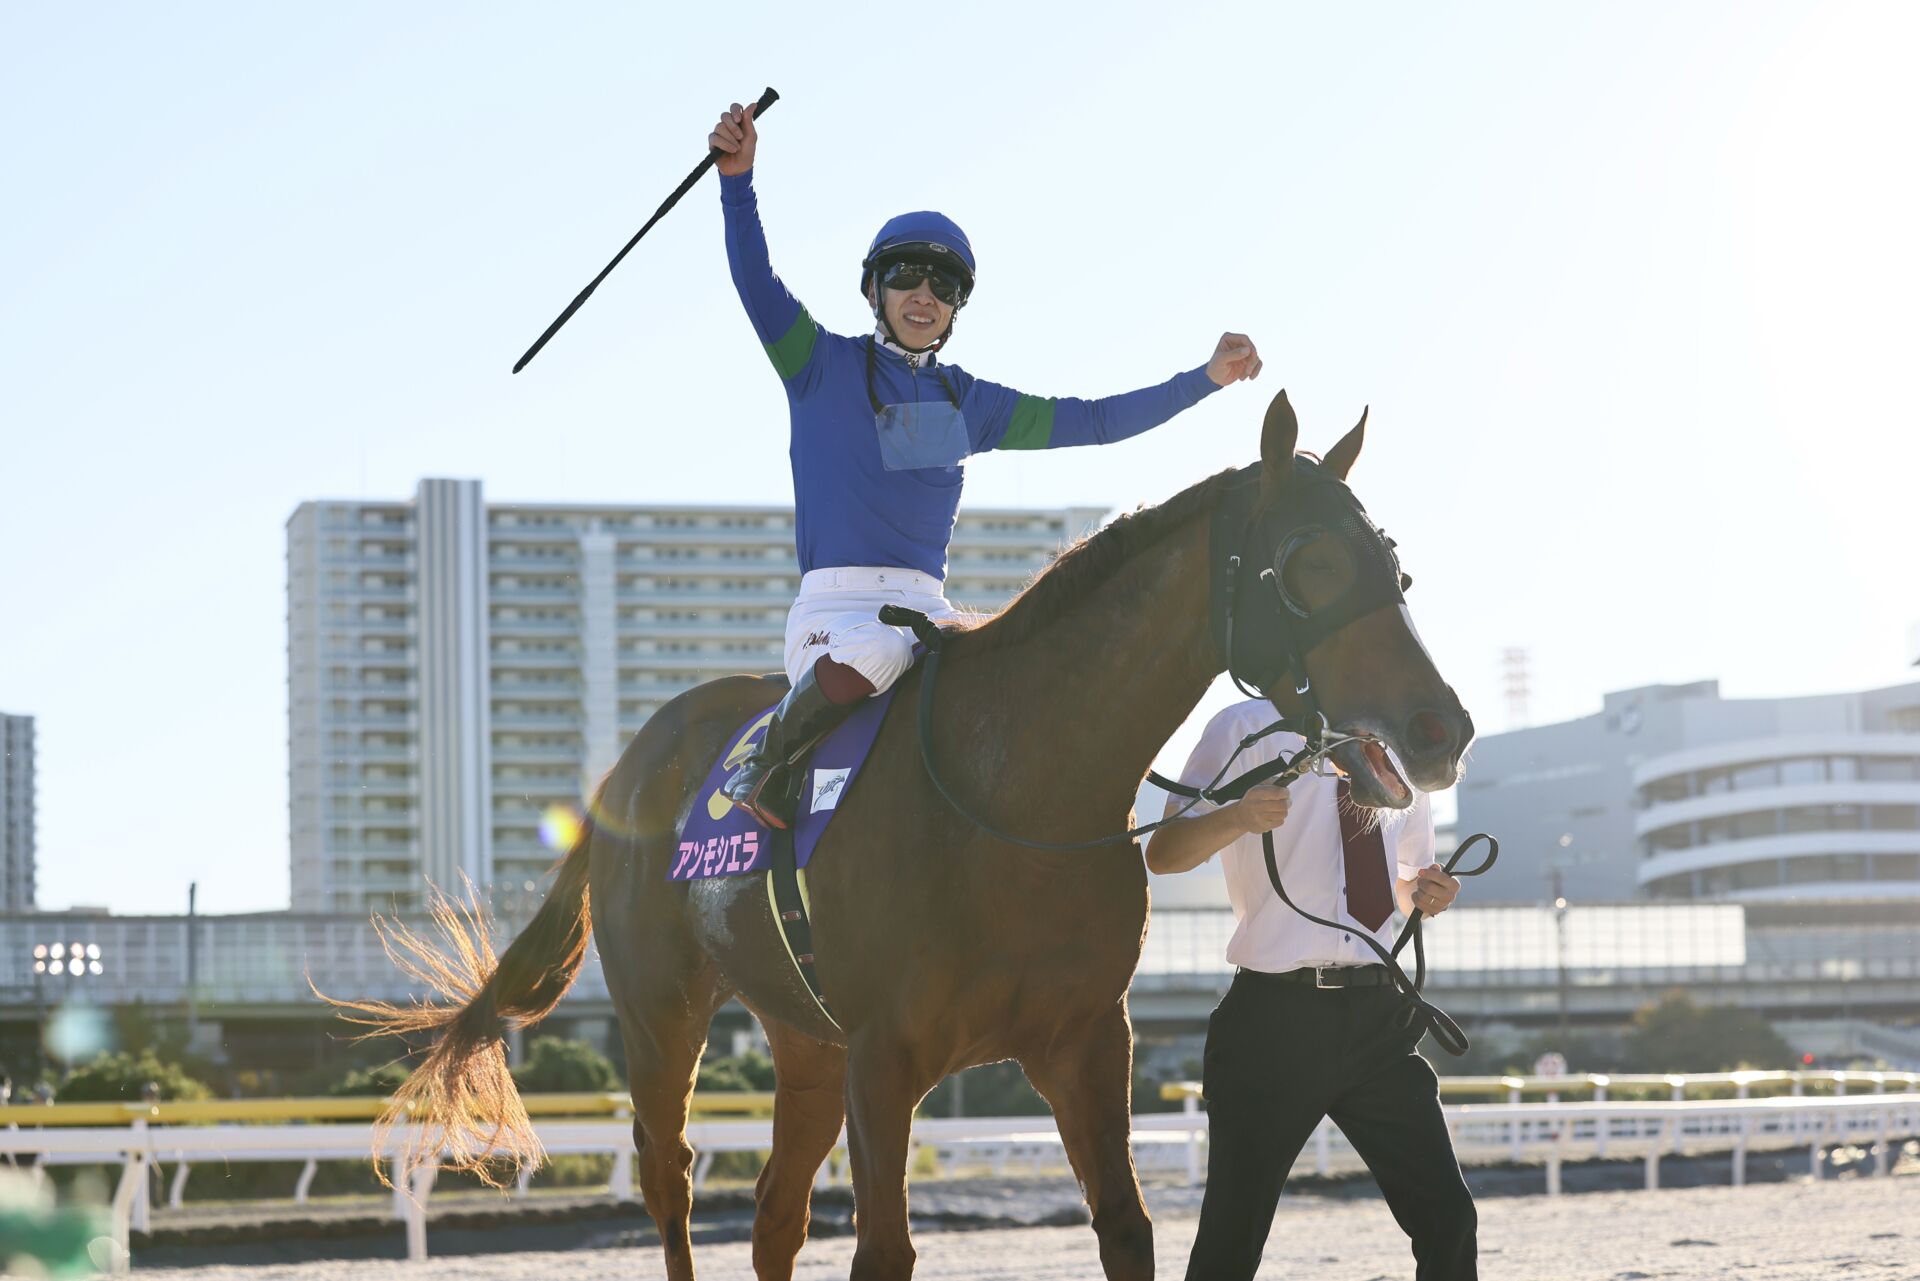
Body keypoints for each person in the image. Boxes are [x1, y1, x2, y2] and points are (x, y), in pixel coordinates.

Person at [707, 100, 1265, 827]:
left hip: (929, 613)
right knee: (879, 648)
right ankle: (766, 760)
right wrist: (738, 182)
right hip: (836, 619)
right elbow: (757, 281)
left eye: (945, 287)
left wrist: (1204, 379)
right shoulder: (817, 363)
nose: (924, 297)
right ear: (874, 288)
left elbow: (1093, 420)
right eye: (908, 277)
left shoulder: (971, 403)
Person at [1146, 698, 1477, 1281]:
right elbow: (1165, 853)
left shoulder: (1399, 731)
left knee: (1448, 1219)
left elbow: (1403, 883)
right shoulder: (1244, 727)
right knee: (1232, 1237)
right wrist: (1238, 818)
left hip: (1379, 1018)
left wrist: (1428, 893)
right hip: (1274, 1019)